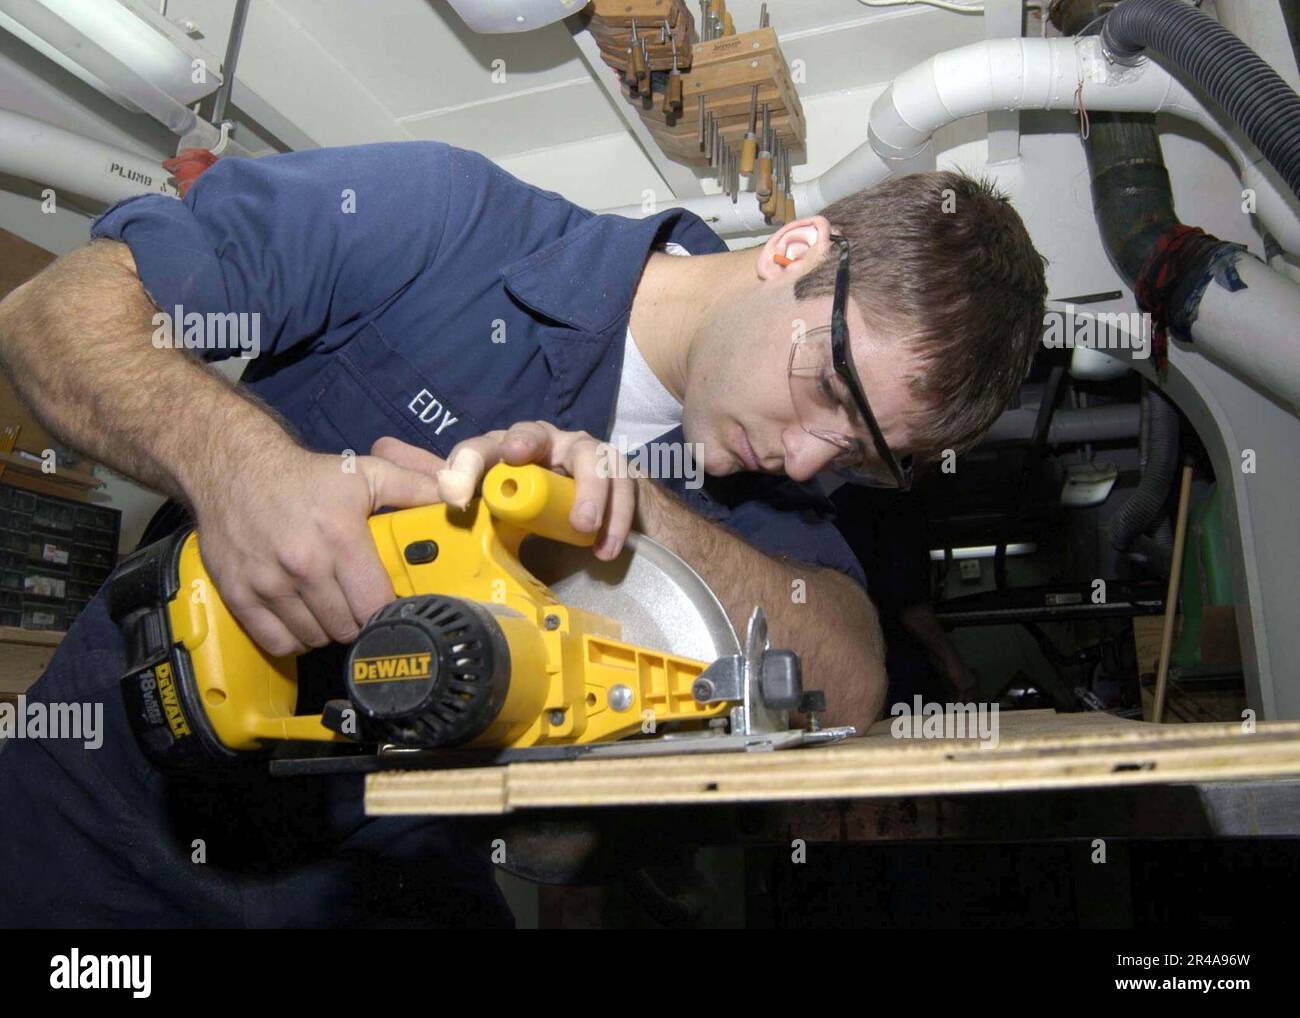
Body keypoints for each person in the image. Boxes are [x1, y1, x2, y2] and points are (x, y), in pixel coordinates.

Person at [0, 141, 1046, 926]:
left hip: (385, 887)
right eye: (824, 388)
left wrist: (642, 514)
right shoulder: (448, 225)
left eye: (858, 453)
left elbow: (854, 679)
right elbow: (54, 313)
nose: (813, 457)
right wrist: (243, 468)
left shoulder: (772, 498)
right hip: (95, 837)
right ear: (793, 249)